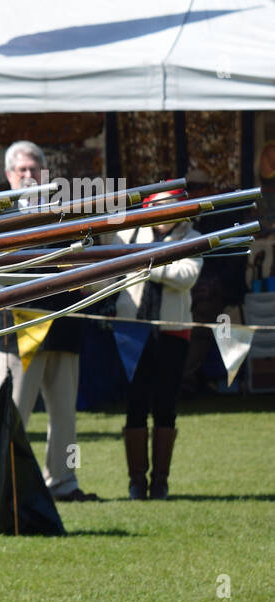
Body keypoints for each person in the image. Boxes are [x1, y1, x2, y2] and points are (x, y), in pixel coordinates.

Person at [0, 140, 97, 502]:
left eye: (35, 169)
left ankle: (64, 483)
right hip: (18, 328)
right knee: (11, 412)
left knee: (65, 417)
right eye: (22, 169)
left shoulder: (68, 213)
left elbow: (86, 261)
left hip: (64, 325)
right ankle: (1, 484)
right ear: (9, 175)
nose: (29, 175)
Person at [116, 190, 201, 499]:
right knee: (135, 404)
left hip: (172, 332)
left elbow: (186, 275)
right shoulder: (128, 234)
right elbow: (109, 258)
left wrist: (147, 265)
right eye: (158, 210)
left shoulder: (193, 237)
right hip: (133, 330)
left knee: (166, 405)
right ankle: (137, 481)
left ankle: (160, 481)